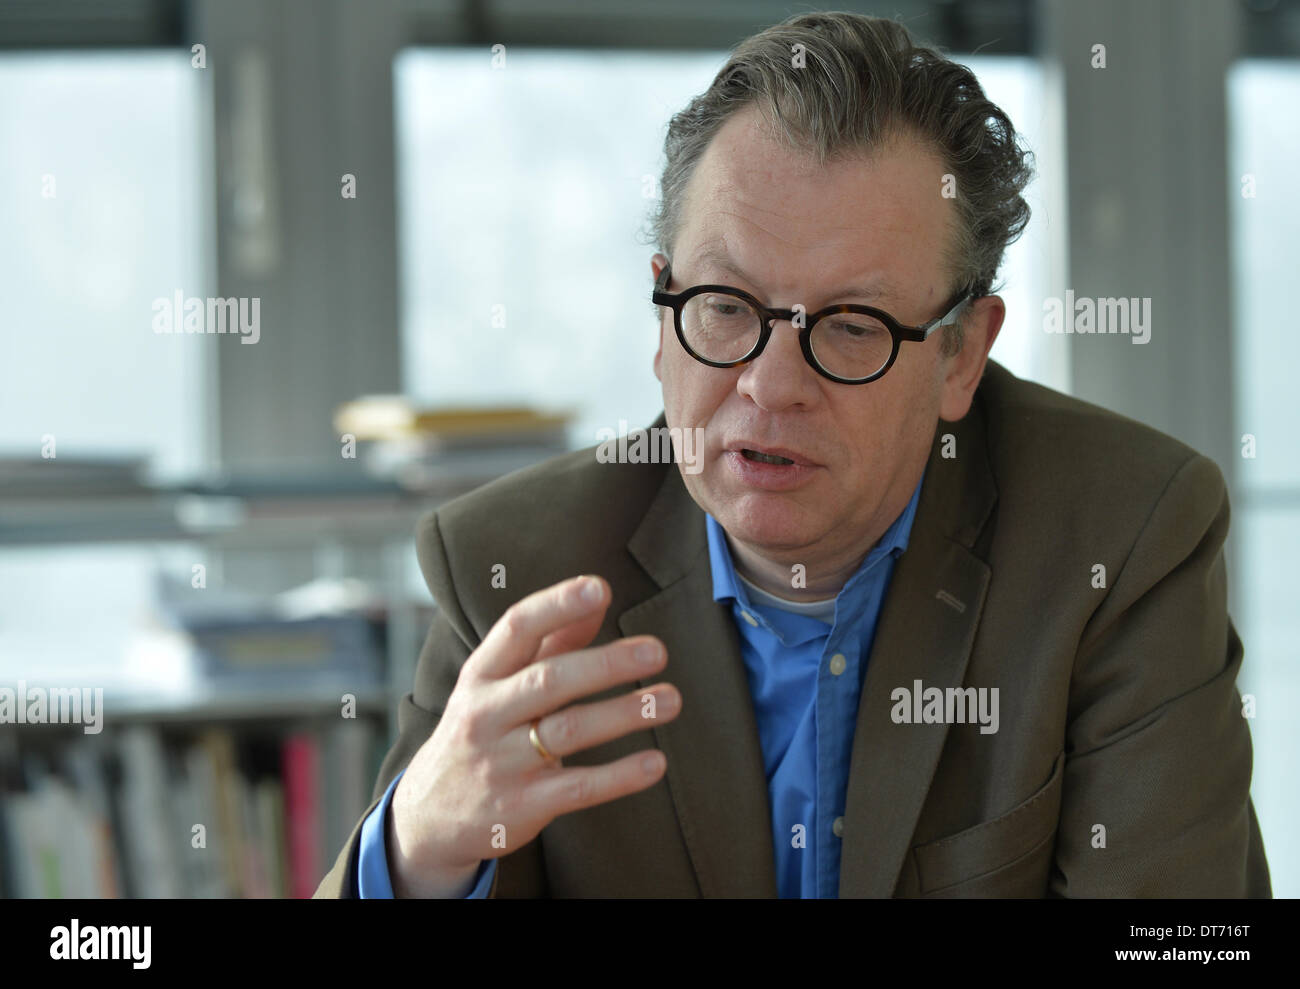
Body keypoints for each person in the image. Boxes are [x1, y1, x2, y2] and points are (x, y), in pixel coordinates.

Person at [315, 11, 1270, 898]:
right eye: (725, 308)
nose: (770, 386)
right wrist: (415, 847)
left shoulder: (1125, 539)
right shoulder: (519, 570)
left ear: (962, 354)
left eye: (852, 325)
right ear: (662, 310)